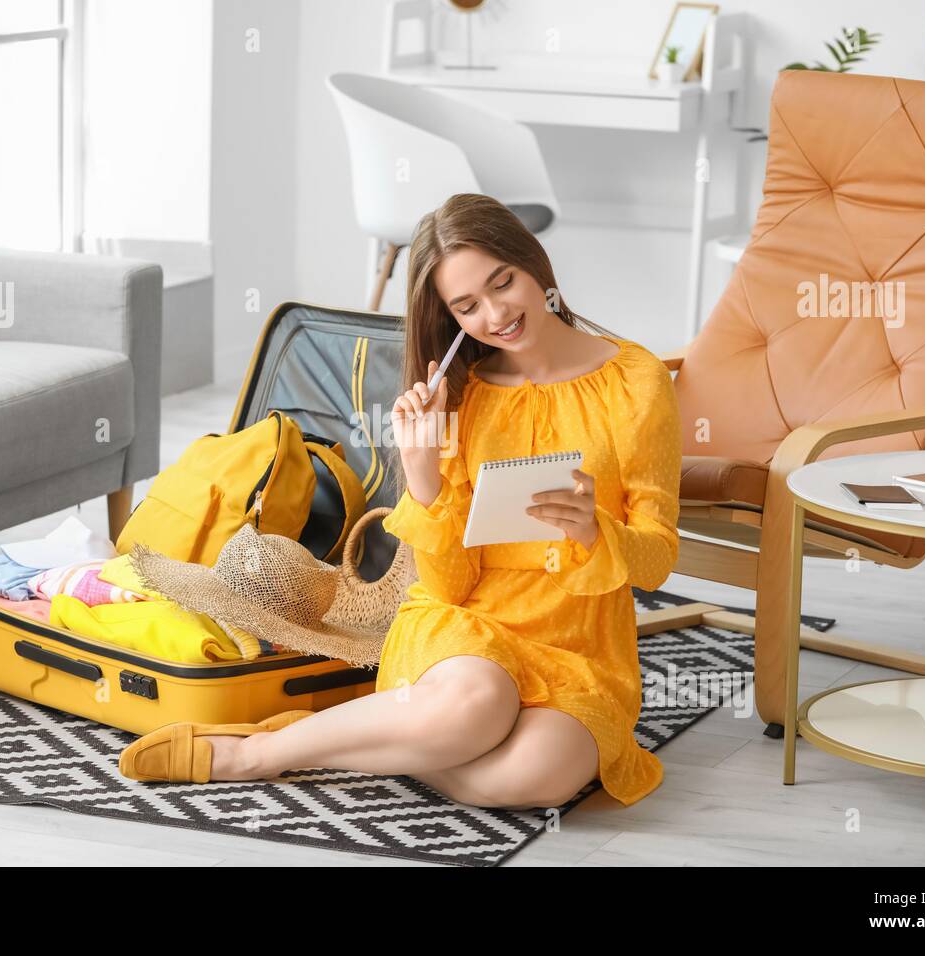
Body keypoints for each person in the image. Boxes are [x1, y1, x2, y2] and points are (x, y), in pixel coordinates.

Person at [120, 192, 682, 811]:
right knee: (478, 706)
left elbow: (656, 561)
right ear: (448, 316)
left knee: (534, 781)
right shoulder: (459, 397)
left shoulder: (637, 380)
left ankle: (397, 739)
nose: (497, 314)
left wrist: (597, 532)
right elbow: (445, 589)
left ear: (535, 265)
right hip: (466, 629)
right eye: (467, 306)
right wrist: (421, 473)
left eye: (505, 282)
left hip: (583, 647)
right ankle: (257, 753)